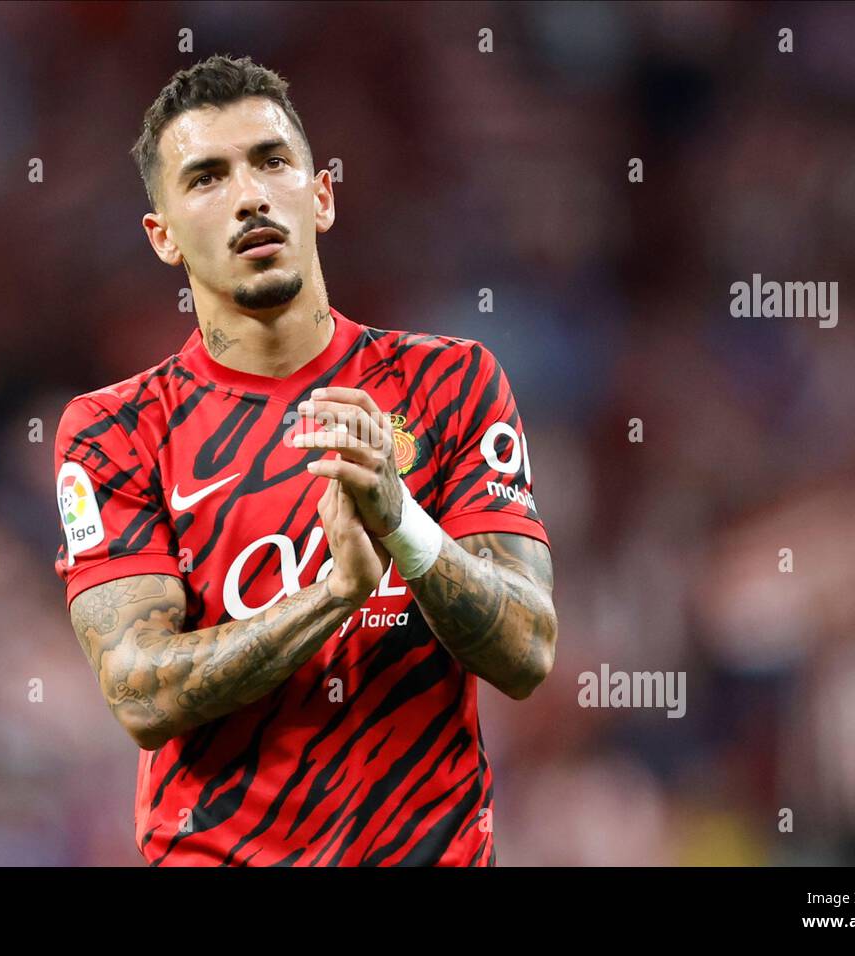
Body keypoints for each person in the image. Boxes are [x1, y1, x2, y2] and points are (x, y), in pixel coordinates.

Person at [54, 54, 557, 866]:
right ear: (163, 236)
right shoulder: (116, 430)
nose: (250, 195)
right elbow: (140, 691)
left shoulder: (450, 383)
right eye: (207, 178)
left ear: (320, 196)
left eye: (272, 161)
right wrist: (335, 595)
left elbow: (528, 652)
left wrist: (402, 523)